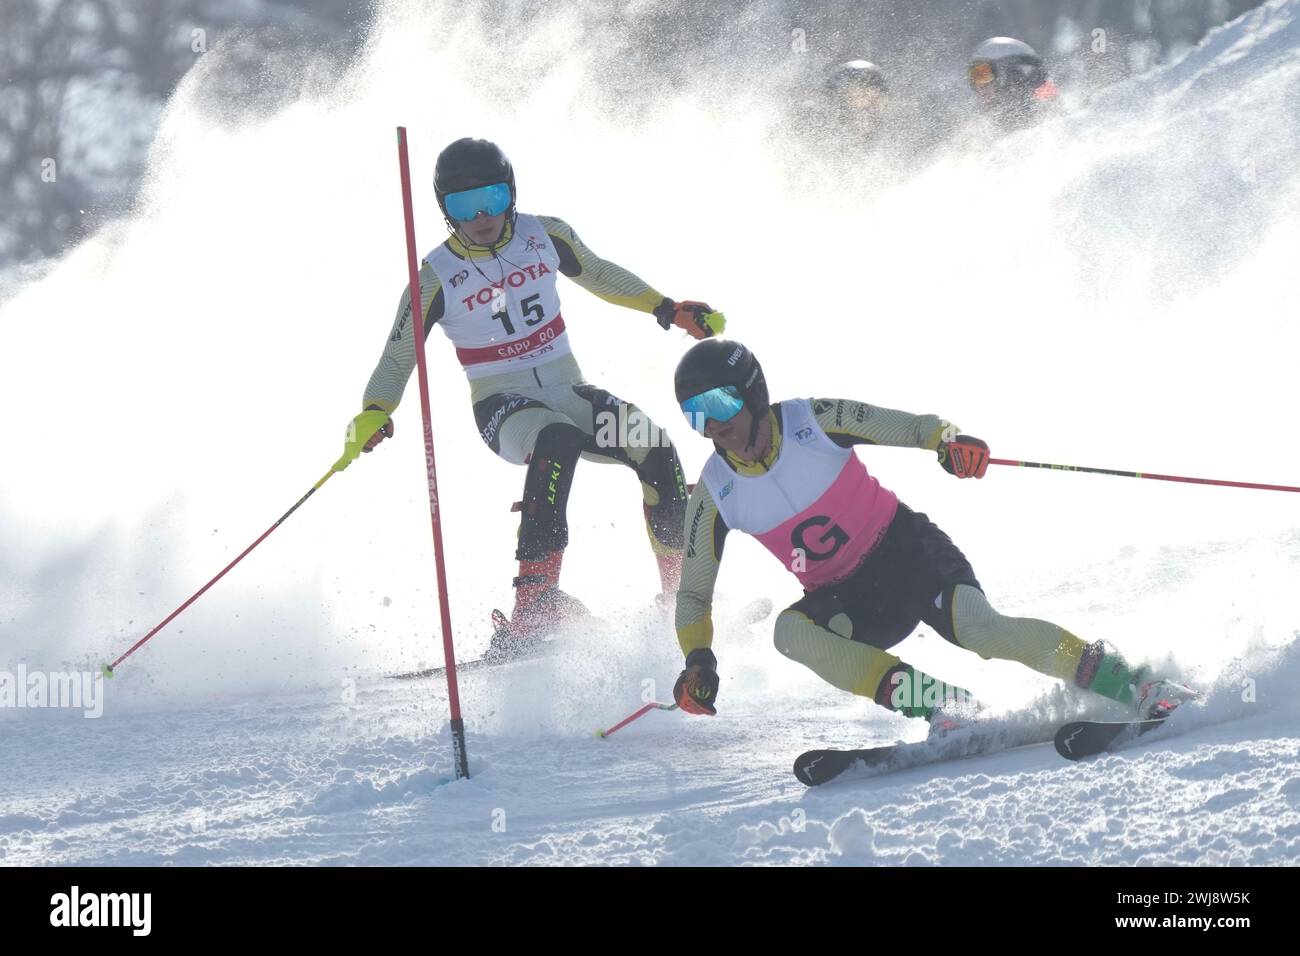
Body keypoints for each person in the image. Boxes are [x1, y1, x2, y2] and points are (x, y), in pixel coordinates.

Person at [668, 339, 1196, 729]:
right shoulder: (714, 494)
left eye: (719, 405)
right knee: (790, 632)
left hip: (906, 551)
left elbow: (912, 427)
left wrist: (949, 444)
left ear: (752, 394)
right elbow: (693, 594)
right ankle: (946, 707)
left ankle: (1136, 682)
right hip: (849, 598)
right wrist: (698, 659)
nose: (713, 426)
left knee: (983, 631)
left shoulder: (814, 419)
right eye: (696, 414)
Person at [338, 137, 724, 650]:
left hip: (570, 391)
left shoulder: (545, 235)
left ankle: (680, 600)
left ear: (512, 192)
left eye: (493, 198)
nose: (481, 215)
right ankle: (533, 608)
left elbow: (600, 273)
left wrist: (665, 307)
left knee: (652, 444)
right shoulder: (433, 277)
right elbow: (397, 357)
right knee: (556, 437)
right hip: (504, 408)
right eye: (463, 205)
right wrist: (374, 412)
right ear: (445, 211)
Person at [967, 37, 1061, 132]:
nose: (980, 88)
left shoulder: (1052, 131)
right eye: (976, 76)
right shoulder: (979, 132)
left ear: (1012, 77)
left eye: (984, 75)